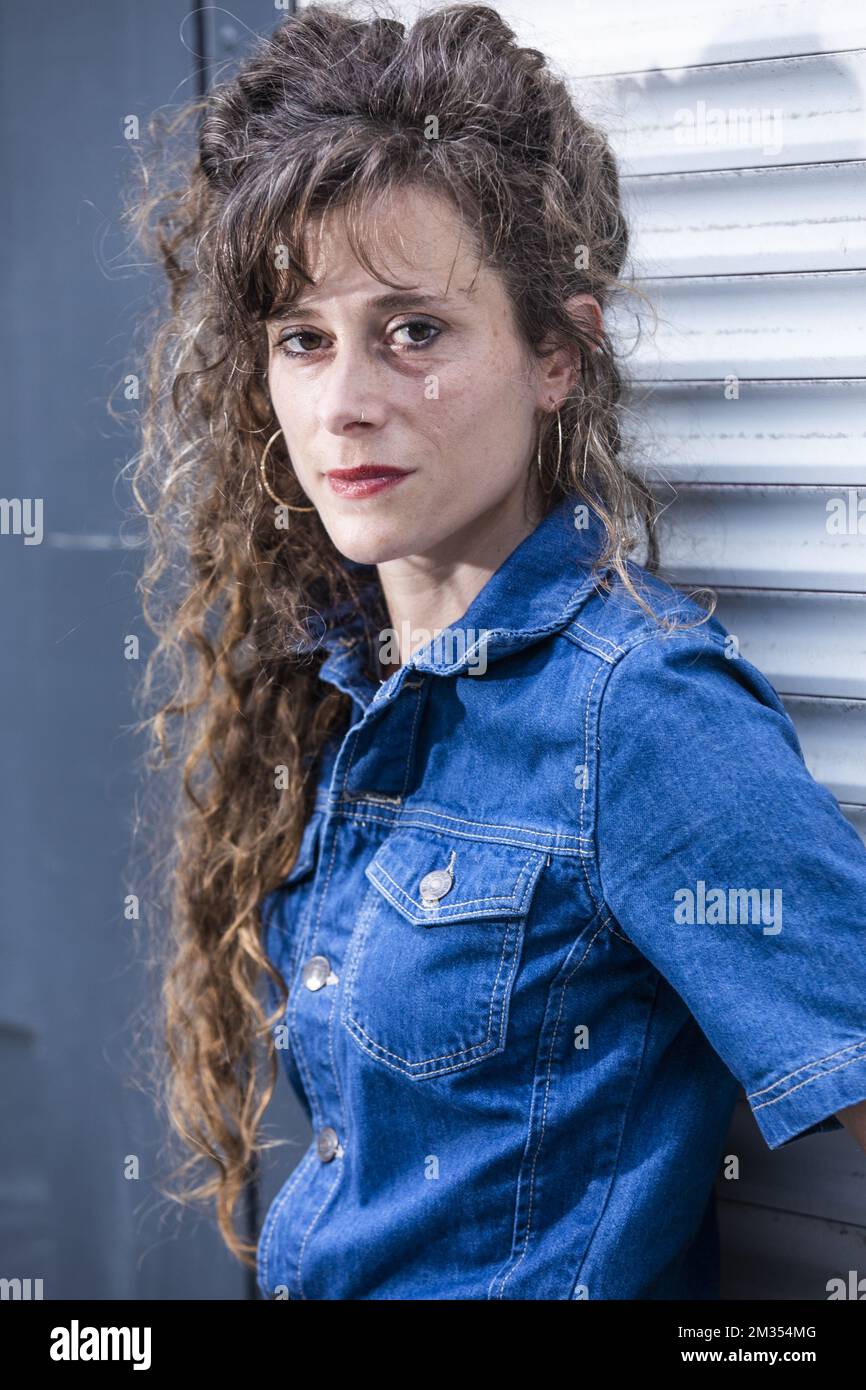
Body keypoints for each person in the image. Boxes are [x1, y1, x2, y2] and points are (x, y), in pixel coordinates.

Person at [126, 2, 866, 1299]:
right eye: (304, 337)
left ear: (556, 356)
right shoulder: (349, 676)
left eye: (412, 329)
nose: (344, 400)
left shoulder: (641, 712)